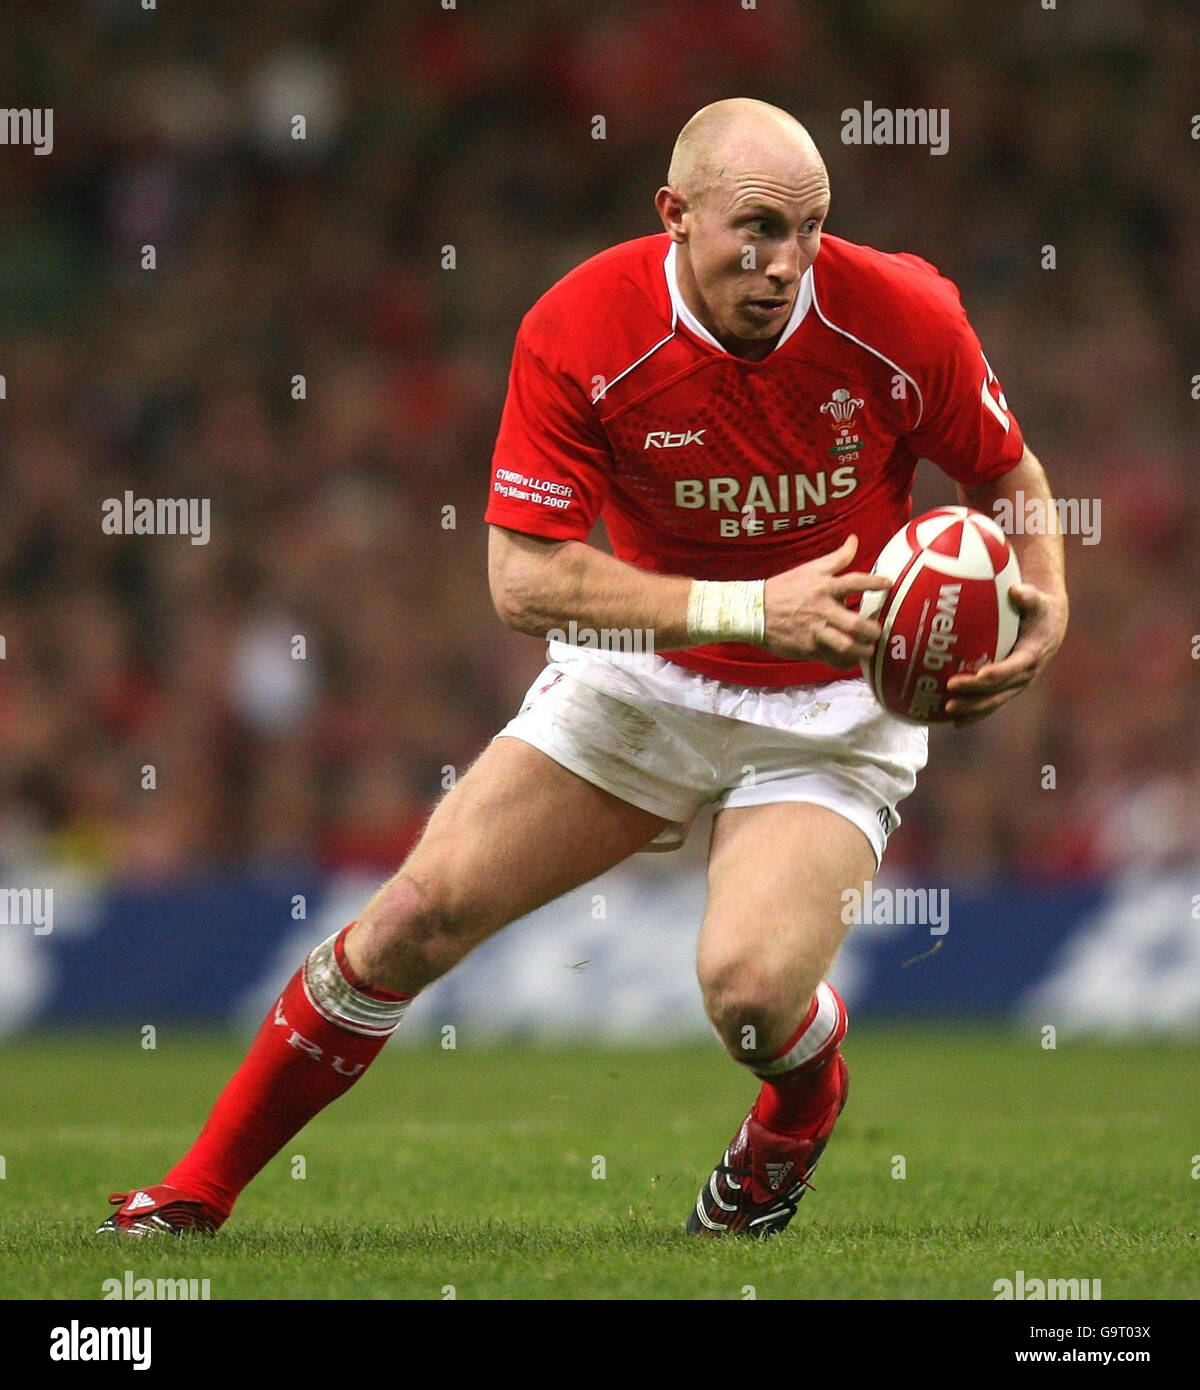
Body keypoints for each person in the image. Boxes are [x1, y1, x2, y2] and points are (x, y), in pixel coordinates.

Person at [99, 98, 1067, 1240]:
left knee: (753, 998)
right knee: (415, 915)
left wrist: (1044, 606)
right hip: (643, 679)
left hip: (834, 702)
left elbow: (1008, 474)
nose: (786, 262)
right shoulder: (581, 328)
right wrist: (752, 608)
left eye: (810, 230)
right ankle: (193, 1194)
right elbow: (524, 585)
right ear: (674, 214)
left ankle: (800, 1111)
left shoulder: (904, 313)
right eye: (756, 227)